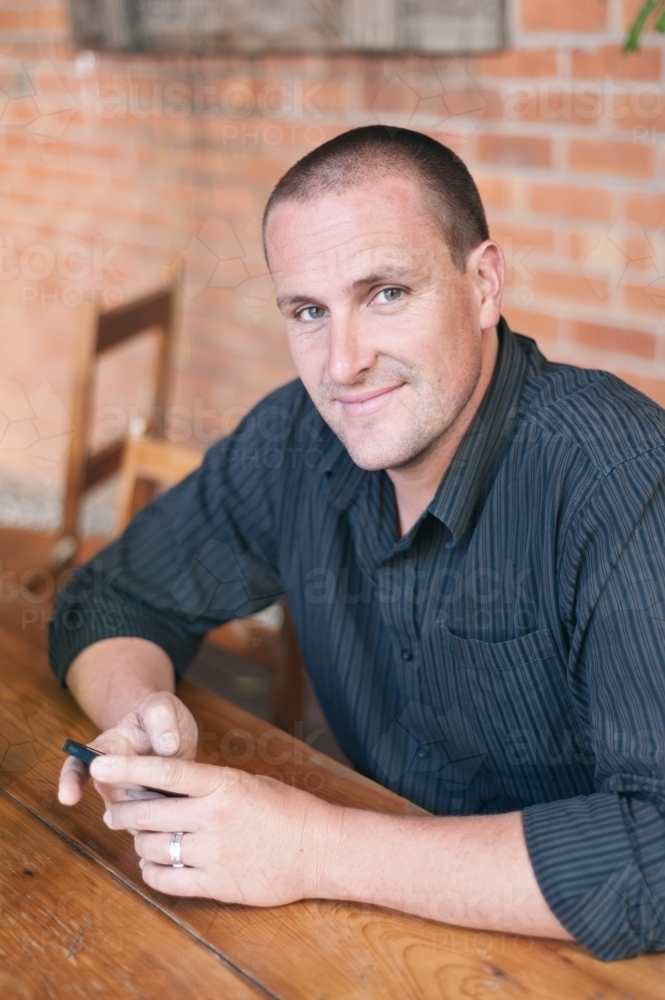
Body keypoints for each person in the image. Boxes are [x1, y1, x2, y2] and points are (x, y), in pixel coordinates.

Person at [51, 126, 665, 962]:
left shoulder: (619, 475)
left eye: (384, 293)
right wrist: (141, 721)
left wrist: (311, 847)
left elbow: (654, 850)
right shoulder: (297, 439)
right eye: (309, 311)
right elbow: (115, 594)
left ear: (482, 284)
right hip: (361, 943)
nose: (342, 364)